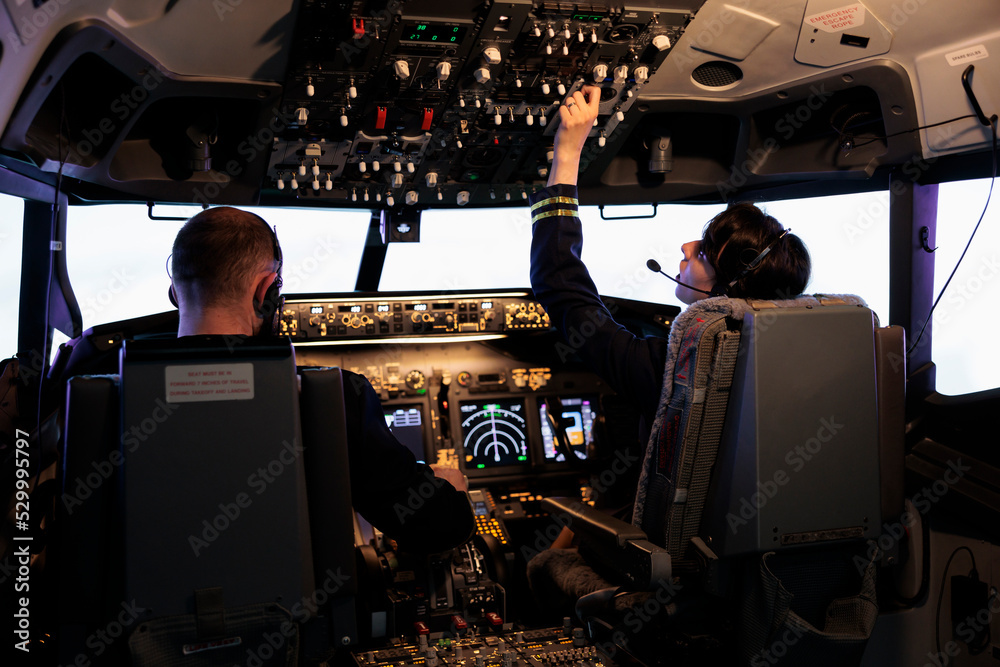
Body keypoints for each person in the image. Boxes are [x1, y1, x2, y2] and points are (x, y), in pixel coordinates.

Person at [528, 86, 812, 550]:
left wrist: (567, 154)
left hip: (669, 559)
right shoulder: (795, 365)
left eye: (701, 249)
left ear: (724, 286)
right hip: (749, 558)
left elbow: (561, 286)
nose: (685, 248)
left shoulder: (677, 368)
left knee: (539, 563)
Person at [170, 206, 474, 552]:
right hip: (301, 606)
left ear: (175, 293)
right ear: (265, 291)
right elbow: (439, 526)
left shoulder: (119, 395)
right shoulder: (332, 397)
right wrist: (450, 487)